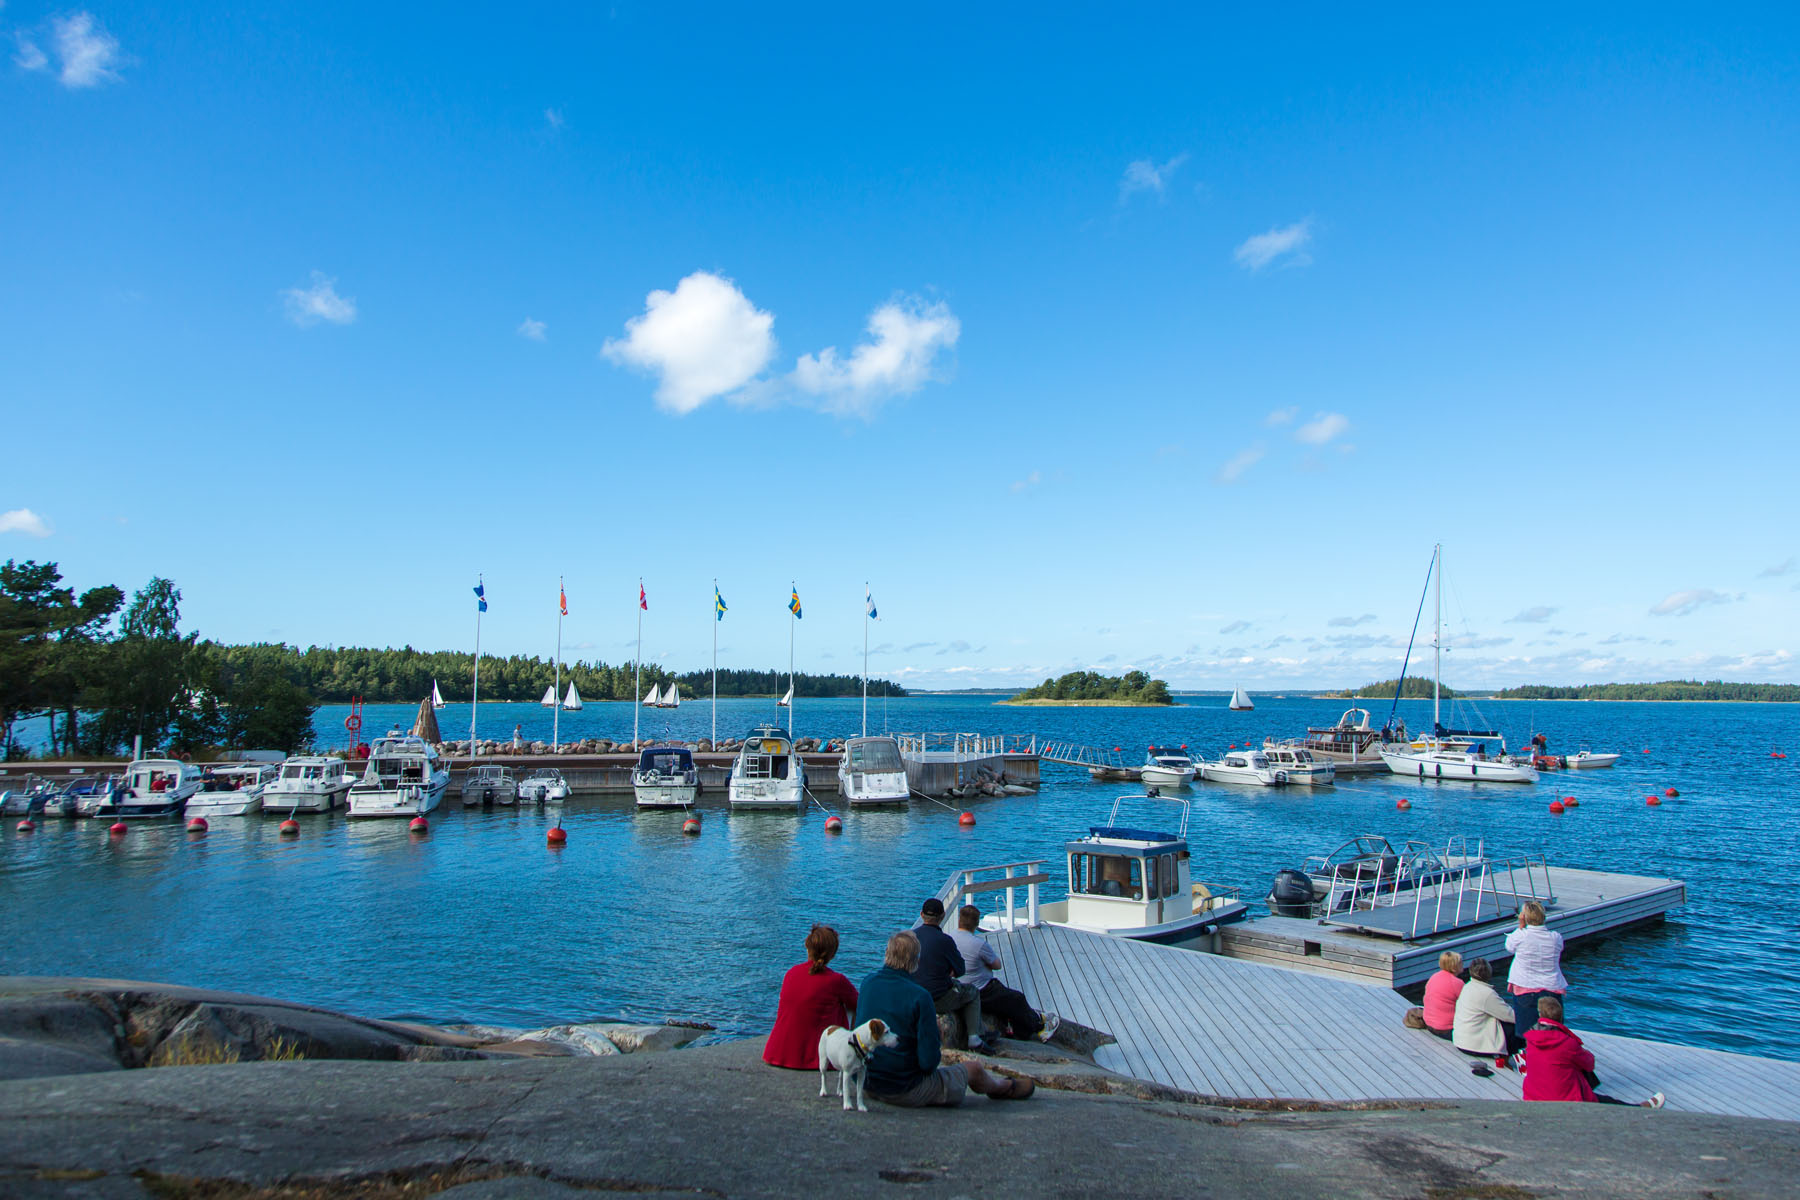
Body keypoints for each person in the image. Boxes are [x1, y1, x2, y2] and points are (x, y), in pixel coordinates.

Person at [856, 931, 1034, 1107]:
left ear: (887, 954)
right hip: (904, 1089)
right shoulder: (919, 996)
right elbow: (929, 1062)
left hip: (865, 1082)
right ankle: (1004, 1087)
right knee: (974, 1069)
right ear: (916, 962)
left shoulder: (867, 983)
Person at [1523, 995, 1664, 1108]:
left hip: (1534, 1095)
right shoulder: (1566, 1043)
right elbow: (1589, 1064)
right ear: (1560, 1016)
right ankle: (1640, 1108)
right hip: (1564, 1098)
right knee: (1608, 1102)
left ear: (1540, 1014)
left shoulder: (1531, 1039)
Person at [949, 906, 1060, 1043]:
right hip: (982, 990)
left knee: (1007, 999)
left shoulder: (950, 939)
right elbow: (997, 965)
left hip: (958, 987)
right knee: (1017, 999)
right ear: (976, 924)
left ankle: (1031, 1022)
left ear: (959, 920)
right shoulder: (978, 944)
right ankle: (1039, 1027)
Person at [763, 924, 860, 1070]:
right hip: (816, 1058)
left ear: (807, 948)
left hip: (777, 1053)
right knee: (851, 1005)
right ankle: (848, 1049)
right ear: (832, 954)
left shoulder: (791, 973)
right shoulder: (836, 980)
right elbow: (860, 1004)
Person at [911, 898, 988, 1053]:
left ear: (921, 914)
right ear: (942, 916)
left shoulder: (910, 936)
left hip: (912, 996)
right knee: (972, 992)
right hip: (936, 999)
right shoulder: (945, 940)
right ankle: (974, 1038)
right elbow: (960, 970)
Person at [1504, 901, 1567, 1038]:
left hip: (1525, 986)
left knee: (1525, 1032)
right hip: (1551, 987)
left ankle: (1528, 1056)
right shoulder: (1555, 937)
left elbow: (1509, 947)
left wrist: (1521, 926)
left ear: (1524, 917)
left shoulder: (1521, 935)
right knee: (1554, 1030)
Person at [1453, 958, 1524, 1060]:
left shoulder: (1468, 987)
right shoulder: (1486, 993)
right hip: (1474, 1046)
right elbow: (1511, 1016)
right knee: (1516, 1029)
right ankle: (1507, 1060)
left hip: (1461, 1040)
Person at [1422, 950, 1464, 1040]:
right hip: (1446, 1029)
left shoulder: (1434, 977)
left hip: (1429, 1024)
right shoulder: (1457, 983)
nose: (1462, 964)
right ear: (1454, 966)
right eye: (1460, 962)